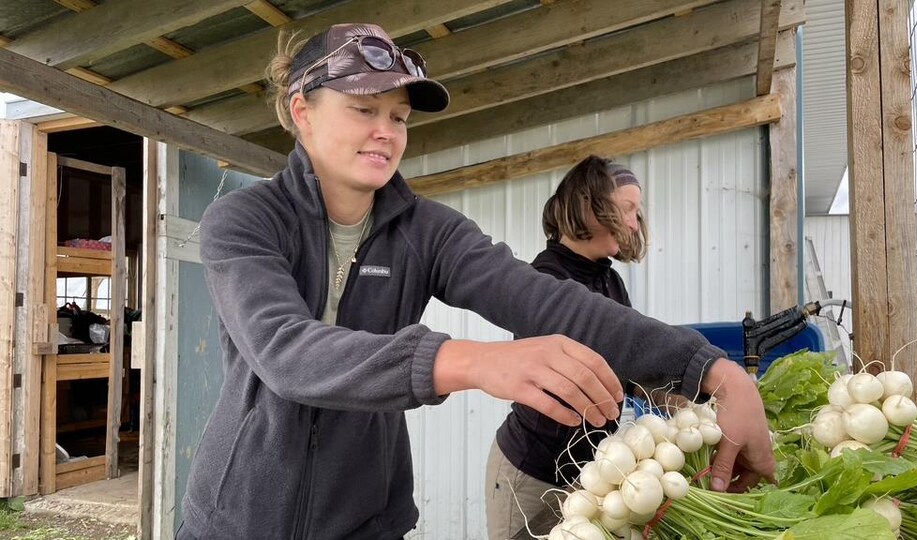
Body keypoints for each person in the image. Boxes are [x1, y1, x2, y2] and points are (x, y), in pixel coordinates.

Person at [176, 23, 775, 540]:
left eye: (399, 117)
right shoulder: (244, 220)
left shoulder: (426, 232)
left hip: (365, 520)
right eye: (364, 110)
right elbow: (285, 352)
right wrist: (474, 361)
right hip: (238, 518)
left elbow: (546, 300)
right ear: (302, 112)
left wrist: (710, 370)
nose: (387, 131)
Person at [485, 155, 650, 539]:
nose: (633, 223)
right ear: (588, 207)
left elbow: (630, 357)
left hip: (587, 471)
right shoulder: (545, 280)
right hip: (531, 473)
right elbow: (608, 357)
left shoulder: (610, 281)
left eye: (636, 212)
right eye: (626, 209)